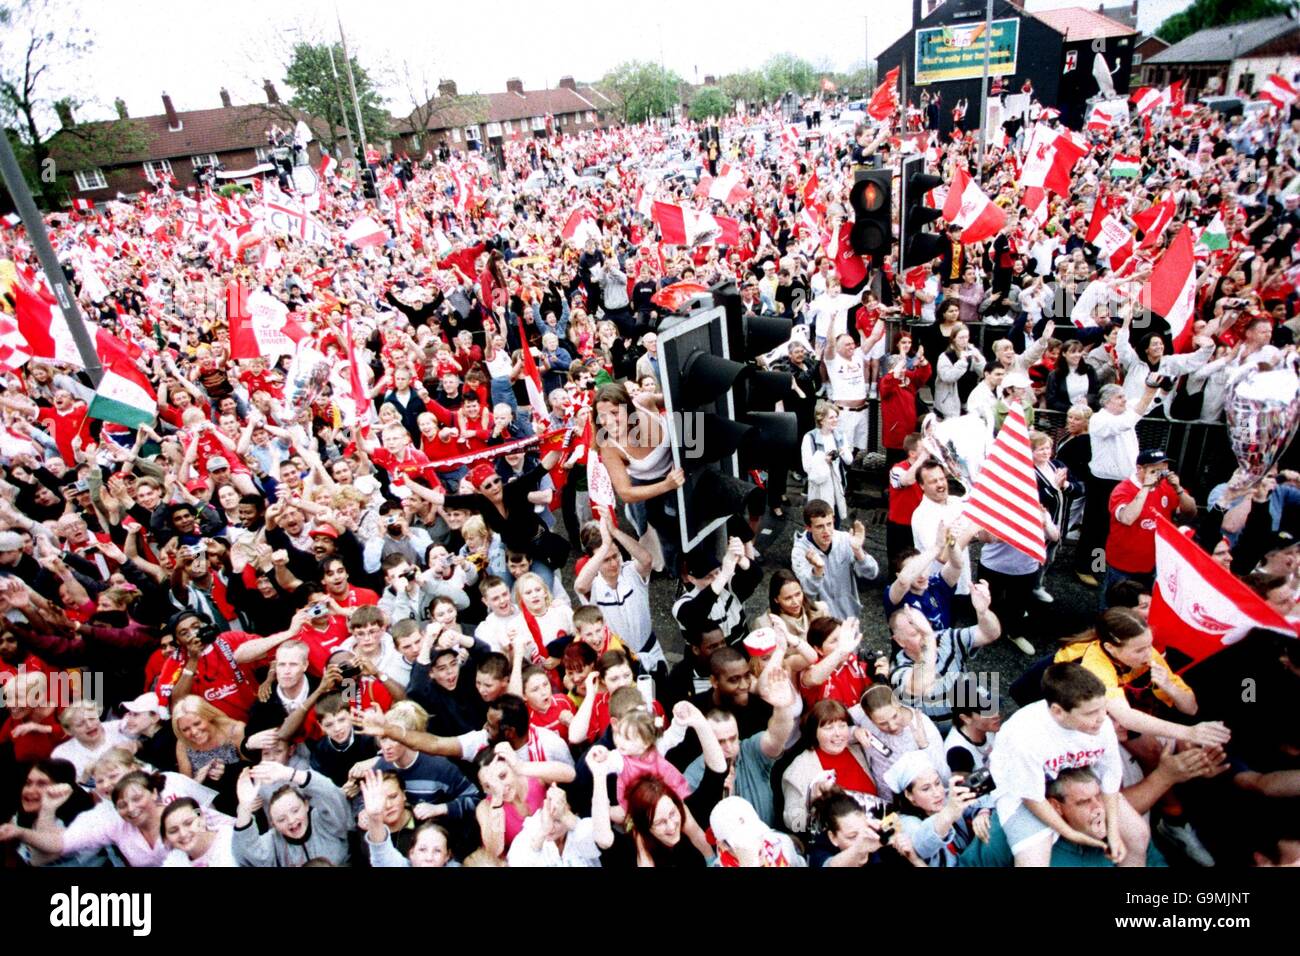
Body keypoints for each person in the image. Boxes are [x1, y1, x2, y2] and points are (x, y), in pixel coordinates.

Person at [987, 663, 1148, 867]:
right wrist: (1069, 833)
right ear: (1058, 712)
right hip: (1020, 788)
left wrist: (1114, 832)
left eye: (1102, 708)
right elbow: (1031, 796)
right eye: (1090, 713)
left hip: (1073, 773)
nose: (1101, 719)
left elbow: (1110, 777)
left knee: (1138, 835)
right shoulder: (1025, 736)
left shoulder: (1102, 724)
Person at [887, 580, 1002, 728]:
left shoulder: (945, 638)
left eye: (926, 628)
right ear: (899, 641)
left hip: (971, 713)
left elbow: (990, 634)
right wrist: (928, 637)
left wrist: (983, 612)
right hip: (941, 730)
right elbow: (918, 686)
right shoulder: (898, 669)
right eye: (917, 633)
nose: (926, 635)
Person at [1079, 381, 1159, 587]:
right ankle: (1086, 567)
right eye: (1120, 398)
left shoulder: (1123, 414)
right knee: (1096, 527)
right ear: (1106, 402)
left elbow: (1148, 406)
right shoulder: (1099, 419)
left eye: (1124, 397)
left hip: (1124, 481)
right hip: (1103, 482)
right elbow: (1130, 420)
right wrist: (1147, 392)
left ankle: (1102, 565)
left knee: (1112, 527)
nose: (1125, 401)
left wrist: (1163, 390)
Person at [1103, 448, 1197, 601]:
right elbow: (1127, 518)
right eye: (1156, 470)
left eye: (1164, 469)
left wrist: (1178, 489)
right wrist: (1146, 487)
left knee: (1145, 604)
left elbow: (1190, 513)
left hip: (1155, 561)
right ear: (1140, 469)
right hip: (1123, 562)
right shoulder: (1123, 489)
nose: (1162, 474)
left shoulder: (1166, 485)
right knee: (1116, 603)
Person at [782, 699, 879, 834]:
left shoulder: (857, 749)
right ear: (813, 732)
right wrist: (812, 801)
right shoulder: (798, 769)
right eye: (828, 728)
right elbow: (793, 824)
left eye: (842, 725)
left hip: (876, 827)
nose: (838, 733)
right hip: (838, 843)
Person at [231, 762, 353, 867]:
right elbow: (246, 853)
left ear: (306, 805)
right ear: (273, 824)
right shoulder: (273, 842)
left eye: (295, 810)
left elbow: (332, 797)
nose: (291, 820)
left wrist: (290, 774)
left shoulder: (325, 822)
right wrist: (244, 807)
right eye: (281, 819)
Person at [789, 499, 878, 623]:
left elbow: (871, 573)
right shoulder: (799, 552)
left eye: (829, 524)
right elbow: (808, 591)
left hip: (849, 615)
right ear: (808, 528)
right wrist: (817, 570)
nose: (826, 531)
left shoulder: (845, 539)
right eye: (820, 526)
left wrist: (858, 552)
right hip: (820, 619)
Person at [800, 402, 853, 521]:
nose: (835, 420)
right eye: (831, 417)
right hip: (820, 486)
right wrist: (824, 460)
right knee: (821, 519)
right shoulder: (810, 438)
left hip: (837, 485)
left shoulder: (839, 435)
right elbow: (807, 467)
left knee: (836, 519)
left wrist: (843, 451)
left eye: (836, 417)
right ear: (821, 420)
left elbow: (849, 461)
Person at [160, 797, 237, 867]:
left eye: (188, 823)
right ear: (166, 838)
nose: (183, 834)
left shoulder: (232, 839)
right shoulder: (174, 861)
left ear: (202, 818)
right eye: (173, 831)